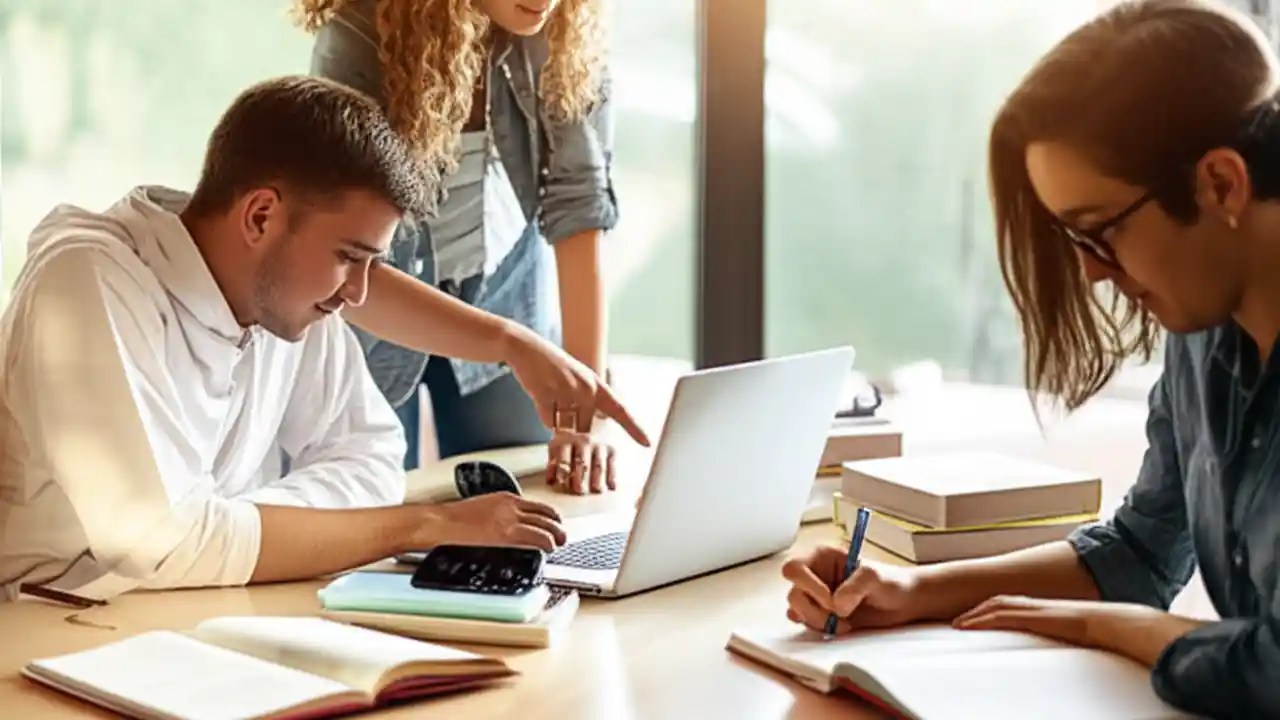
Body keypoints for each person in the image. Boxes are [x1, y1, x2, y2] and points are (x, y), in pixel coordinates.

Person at [782, 1, 1280, 717]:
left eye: (1097, 233)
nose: (1091, 275)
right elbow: (1140, 553)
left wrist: (1109, 626)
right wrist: (907, 593)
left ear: (1222, 185)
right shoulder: (1200, 335)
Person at [0, 76, 569, 602]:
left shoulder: (289, 304)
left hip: (198, 613)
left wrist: (227, 528)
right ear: (260, 217)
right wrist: (428, 525)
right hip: (48, 632)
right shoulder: (85, 283)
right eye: (348, 256)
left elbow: (371, 458)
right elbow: (157, 543)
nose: (360, 294)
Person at [295, 0, 630, 492]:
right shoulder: (358, 38)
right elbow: (341, 259)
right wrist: (511, 344)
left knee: (534, 501)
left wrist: (584, 413)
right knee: (370, 511)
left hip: (505, 299)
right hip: (371, 318)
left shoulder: (563, 33)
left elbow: (578, 209)